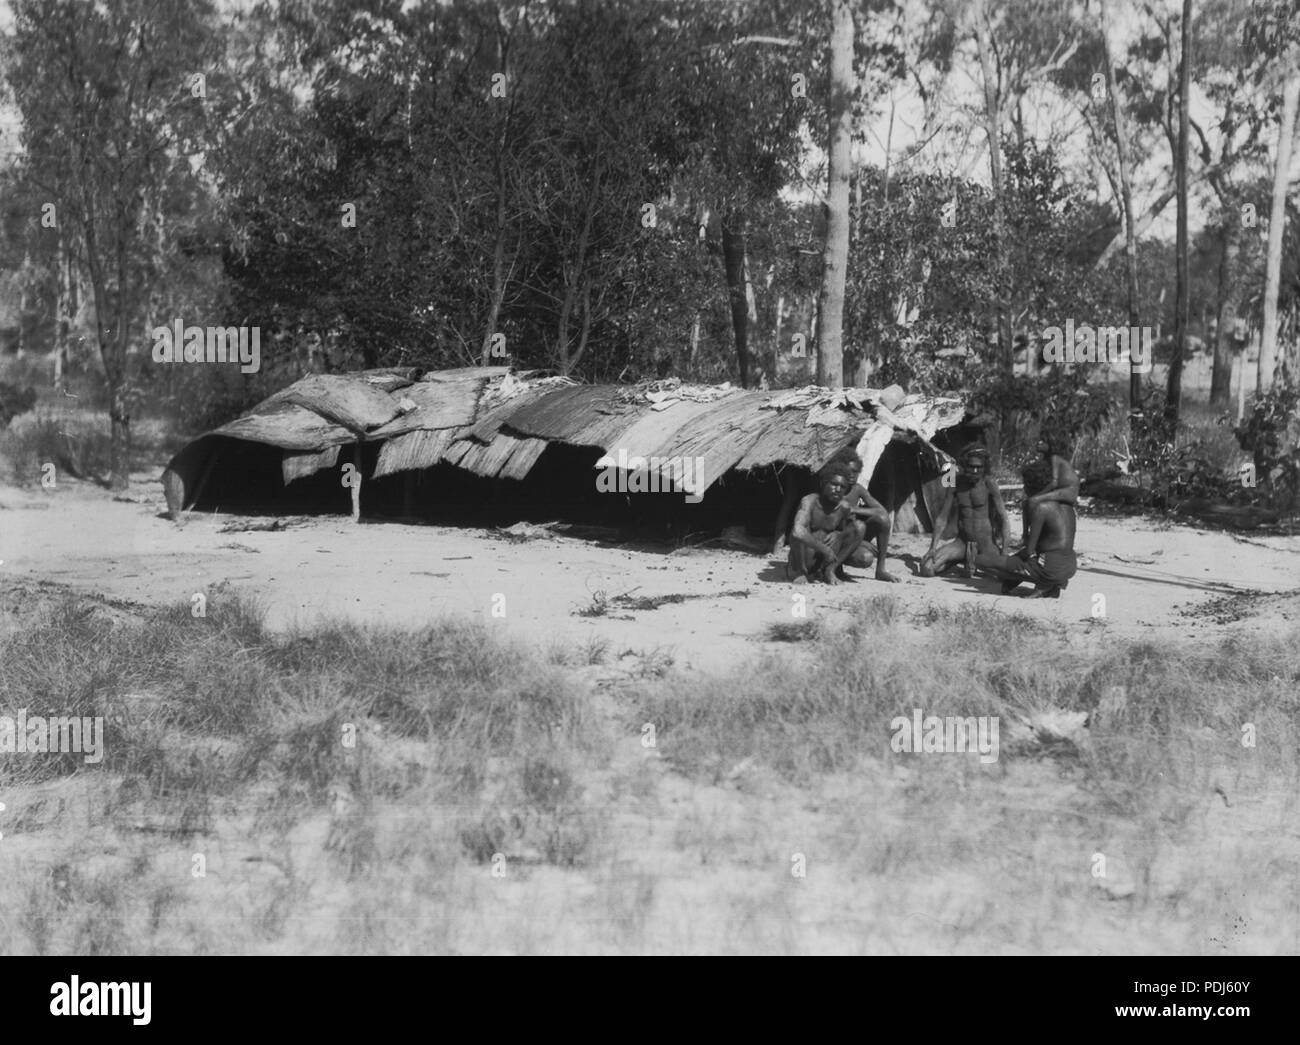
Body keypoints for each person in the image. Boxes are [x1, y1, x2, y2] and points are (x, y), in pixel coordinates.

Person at [975, 460, 1078, 598]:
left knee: (980, 561)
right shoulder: (1068, 507)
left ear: (1030, 485)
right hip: (1070, 565)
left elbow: (1029, 550)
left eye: (1025, 484)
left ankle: (1046, 584)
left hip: (1050, 567)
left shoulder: (1042, 508)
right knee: (1014, 564)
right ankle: (1052, 583)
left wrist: (1009, 564)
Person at [920, 445, 1010, 578]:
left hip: (986, 545)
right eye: (971, 466)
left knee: (1002, 576)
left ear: (984, 468)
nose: (974, 470)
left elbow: (1003, 518)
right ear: (964, 465)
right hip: (962, 543)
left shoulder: (989, 484)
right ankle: (963, 560)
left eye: (979, 467)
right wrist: (932, 548)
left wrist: (1005, 551)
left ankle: (974, 562)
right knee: (927, 569)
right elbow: (942, 518)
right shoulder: (955, 483)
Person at [828, 449, 900, 582]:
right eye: (849, 470)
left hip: (854, 535)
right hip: (834, 541)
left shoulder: (858, 489)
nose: (852, 475)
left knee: (882, 520)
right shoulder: (833, 488)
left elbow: (882, 511)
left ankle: (881, 570)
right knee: (865, 557)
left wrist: (855, 509)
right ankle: (833, 568)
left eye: (856, 472)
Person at [786, 464, 864, 585]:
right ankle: (800, 572)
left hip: (825, 559)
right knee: (800, 529)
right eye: (834, 484)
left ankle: (830, 570)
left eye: (842, 487)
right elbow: (797, 531)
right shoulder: (809, 501)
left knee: (859, 527)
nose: (838, 489)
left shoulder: (844, 508)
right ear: (823, 483)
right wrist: (824, 549)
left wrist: (838, 534)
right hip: (805, 558)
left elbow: (846, 534)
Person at [1028, 428, 1080, 509]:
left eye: (1043, 441)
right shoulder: (1047, 460)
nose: (1039, 443)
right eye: (1039, 440)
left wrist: (1039, 495)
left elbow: (1054, 483)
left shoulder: (1054, 458)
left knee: (1033, 501)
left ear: (1050, 444)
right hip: (1063, 490)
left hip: (1068, 491)